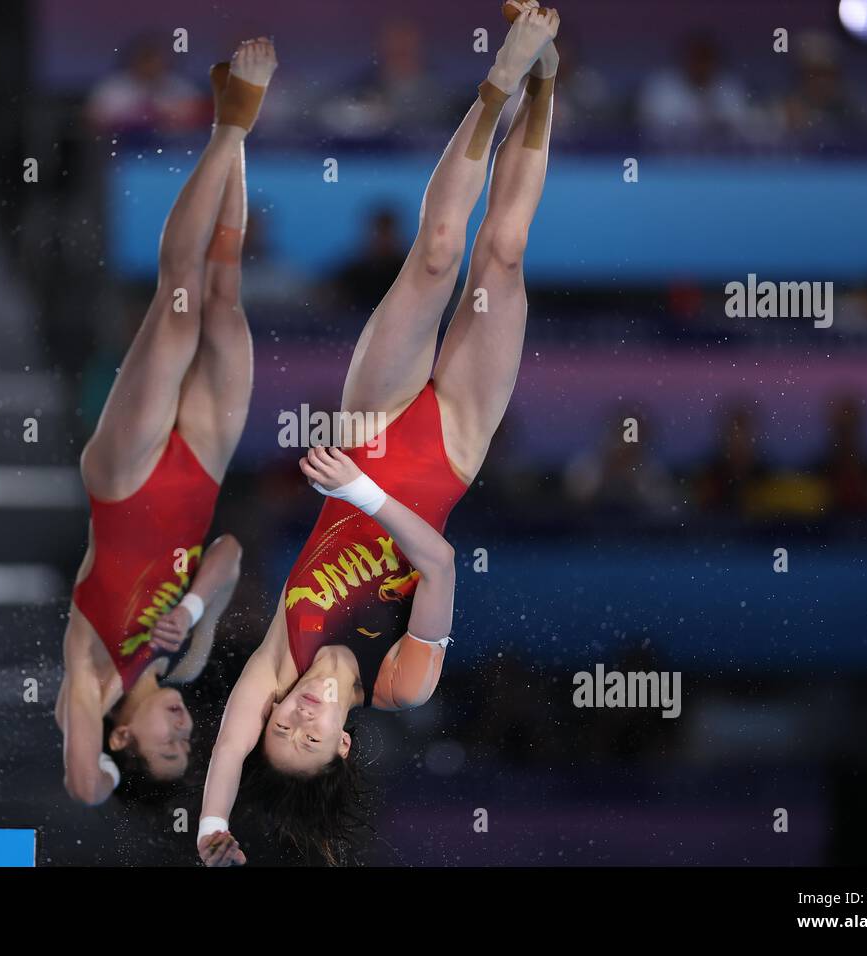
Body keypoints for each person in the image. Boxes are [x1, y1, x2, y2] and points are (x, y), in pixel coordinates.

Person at [197, 3, 561, 866]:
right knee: (501, 253)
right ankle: (546, 81)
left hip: (370, 427)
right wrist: (360, 495)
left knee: (437, 252)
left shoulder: (282, 659)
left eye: (280, 728)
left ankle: (501, 80)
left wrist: (213, 828)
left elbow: (224, 749)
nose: (295, 717)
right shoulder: (404, 683)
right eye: (311, 738)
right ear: (345, 746)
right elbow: (438, 563)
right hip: (449, 449)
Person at [55, 39, 278, 804]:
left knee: (176, 306)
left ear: (122, 736)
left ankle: (230, 122)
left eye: (167, 749)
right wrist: (188, 609)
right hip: (197, 473)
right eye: (192, 748)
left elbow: (84, 787)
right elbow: (229, 555)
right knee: (224, 293)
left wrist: (106, 773)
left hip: (125, 478)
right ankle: (237, 128)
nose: (185, 734)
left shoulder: (89, 680)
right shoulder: (184, 662)